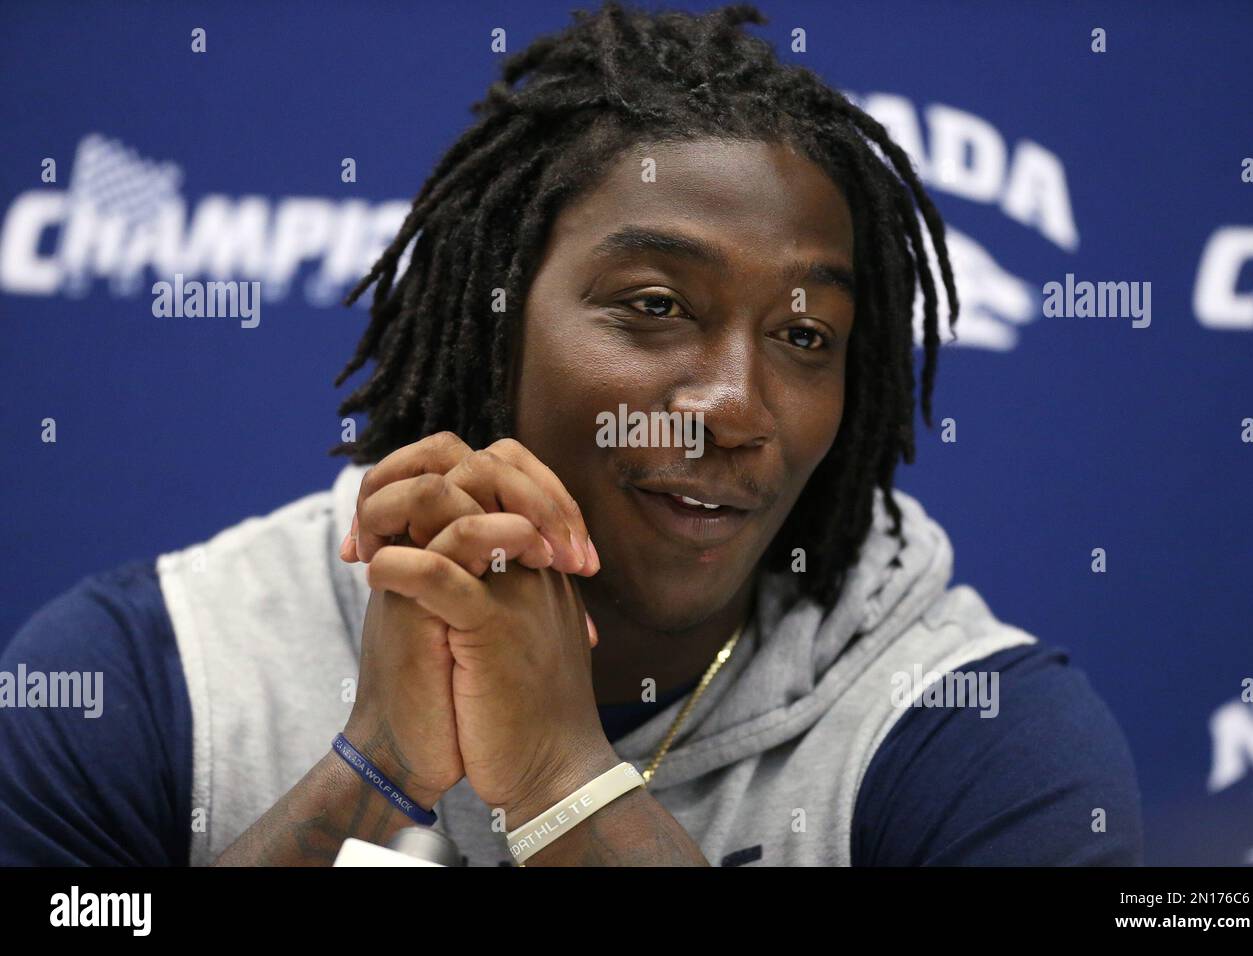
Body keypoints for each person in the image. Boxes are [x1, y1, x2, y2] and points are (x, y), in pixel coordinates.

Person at [0, 2, 1141, 866]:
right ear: (496, 316)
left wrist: (563, 781)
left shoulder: (980, 737)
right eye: (654, 306)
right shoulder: (148, 677)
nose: (736, 407)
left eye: (804, 336)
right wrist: (367, 775)